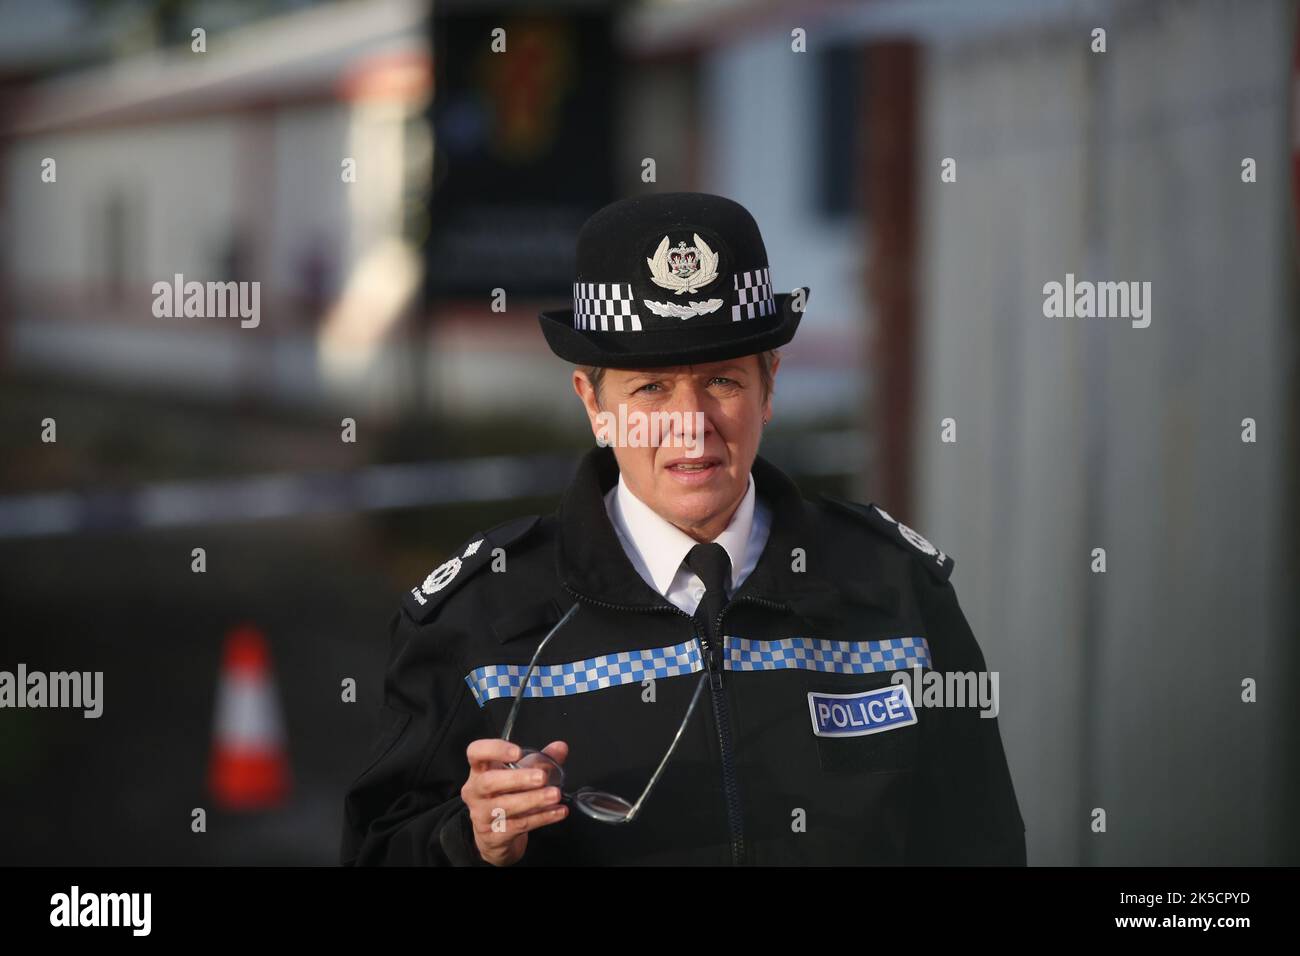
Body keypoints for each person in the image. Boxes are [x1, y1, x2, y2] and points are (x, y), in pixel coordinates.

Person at [340, 192, 1026, 866]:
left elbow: (983, 844)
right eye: (650, 389)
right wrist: (467, 842)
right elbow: (377, 847)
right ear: (593, 404)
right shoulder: (479, 622)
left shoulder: (895, 593)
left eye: (723, 382)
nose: (690, 425)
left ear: (770, 387)